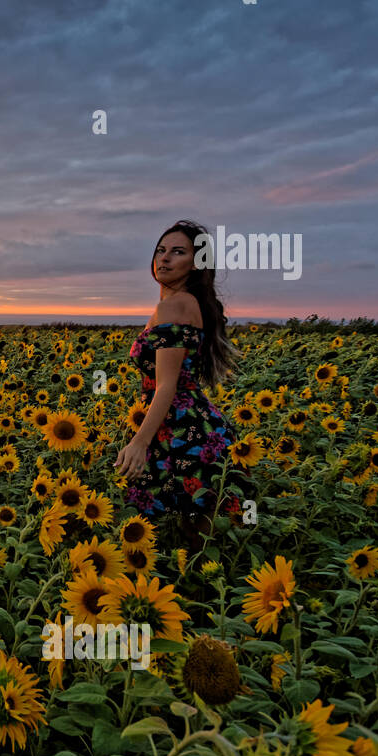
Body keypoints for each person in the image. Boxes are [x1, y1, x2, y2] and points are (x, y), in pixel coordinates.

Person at [113, 220, 244, 554]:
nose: (165, 258)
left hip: (182, 433)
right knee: (199, 540)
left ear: (196, 263)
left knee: (181, 538)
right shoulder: (189, 303)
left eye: (178, 252)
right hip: (192, 428)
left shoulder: (173, 306)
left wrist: (139, 442)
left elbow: (166, 385)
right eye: (161, 250)